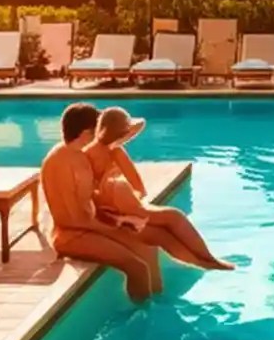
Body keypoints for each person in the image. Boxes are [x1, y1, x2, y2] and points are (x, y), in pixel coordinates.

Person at [41, 103, 183, 302]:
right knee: (137, 267)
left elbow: (128, 131)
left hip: (88, 226)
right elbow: (73, 220)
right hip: (71, 235)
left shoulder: (73, 153)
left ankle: (160, 302)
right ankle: (143, 316)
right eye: (98, 129)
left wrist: (120, 217)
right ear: (86, 132)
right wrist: (116, 226)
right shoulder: (65, 162)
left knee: (148, 247)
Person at [86, 107, 234, 271]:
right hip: (104, 214)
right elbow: (84, 196)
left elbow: (139, 188)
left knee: (171, 221)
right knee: (172, 221)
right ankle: (206, 261)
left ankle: (207, 260)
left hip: (125, 206)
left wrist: (128, 200)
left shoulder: (115, 152)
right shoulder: (86, 157)